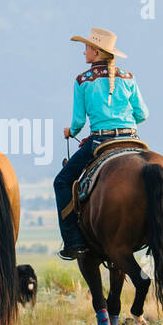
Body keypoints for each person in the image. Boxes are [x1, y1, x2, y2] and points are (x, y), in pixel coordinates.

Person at [54, 27, 148, 260]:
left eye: (86, 47)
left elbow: (78, 121)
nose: (83, 52)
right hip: (131, 137)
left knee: (62, 181)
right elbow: (143, 114)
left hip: (100, 140)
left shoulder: (82, 80)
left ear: (95, 51)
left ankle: (73, 241)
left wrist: (71, 131)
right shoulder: (129, 77)